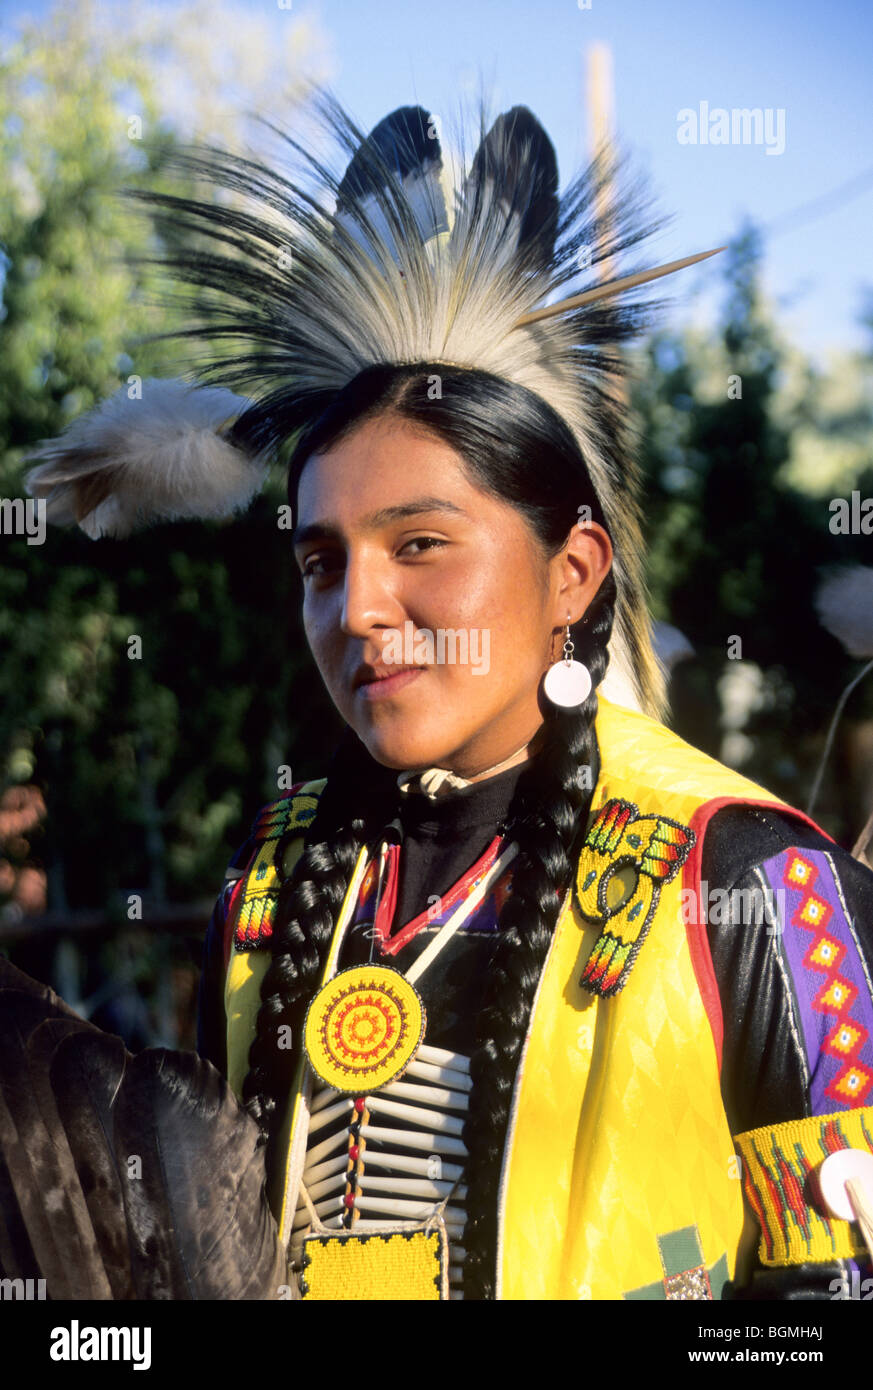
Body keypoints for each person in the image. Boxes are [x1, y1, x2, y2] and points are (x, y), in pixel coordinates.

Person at [13, 95, 873, 1302]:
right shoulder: (270, 886)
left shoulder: (748, 879)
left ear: (572, 570)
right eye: (321, 561)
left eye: (418, 543)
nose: (355, 607)